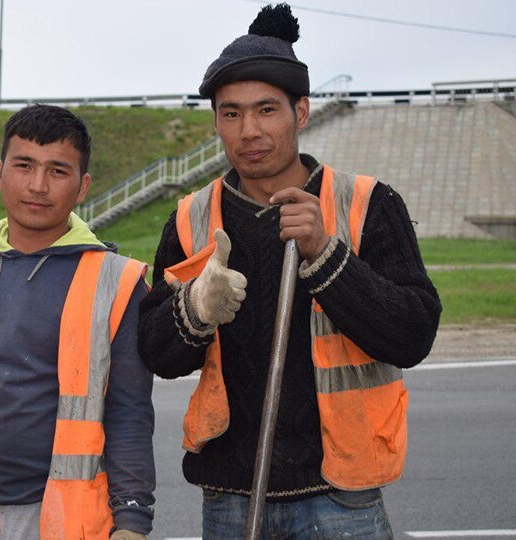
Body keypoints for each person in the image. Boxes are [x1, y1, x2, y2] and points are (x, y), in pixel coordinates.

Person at [137, 4, 441, 538]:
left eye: (265, 110)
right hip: (231, 497)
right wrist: (195, 308)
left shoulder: (367, 203)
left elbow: (413, 335)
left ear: (300, 112)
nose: (248, 130)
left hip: (340, 496)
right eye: (230, 114)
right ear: (215, 121)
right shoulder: (192, 217)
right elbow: (157, 355)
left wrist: (327, 255)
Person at [0, 105, 156, 540]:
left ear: (83, 186)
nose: (37, 185)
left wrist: (132, 519)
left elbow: (129, 412)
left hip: (58, 518)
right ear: (0, 173)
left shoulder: (118, 280)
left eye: (57, 170)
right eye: (24, 166)